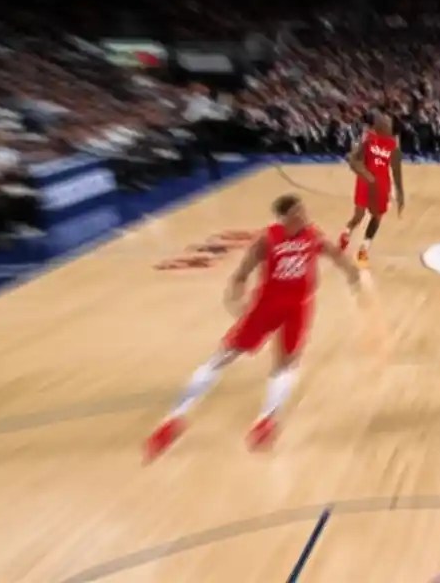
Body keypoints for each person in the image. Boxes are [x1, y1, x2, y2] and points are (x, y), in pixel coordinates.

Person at [143, 194, 361, 461]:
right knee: (222, 357)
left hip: (298, 308)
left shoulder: (312, 234)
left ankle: (266, 421)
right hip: (266, 305)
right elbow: (243, 272)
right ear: (284, 218)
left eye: (303, 212)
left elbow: (335, 254)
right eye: (297, 214)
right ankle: (173, 420)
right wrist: (235, 293)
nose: (303, 216)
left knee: (288, 363)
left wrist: (352, 272)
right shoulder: (267, 238)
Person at [340, 112, 404, 265]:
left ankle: (363, 247)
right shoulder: (369, 137)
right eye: (383, 120)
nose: (384, 122)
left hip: (380, 182)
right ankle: (348, 234)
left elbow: (396, 169)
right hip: (366, 179)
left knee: (375, 216)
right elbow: (354, 156)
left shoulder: (392, 144)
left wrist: (400, 192)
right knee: (360, 215)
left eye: (387, 120)